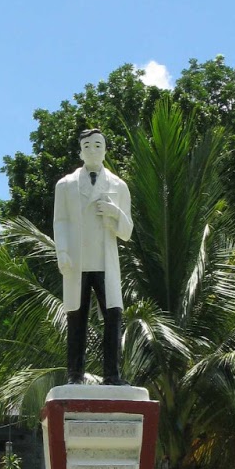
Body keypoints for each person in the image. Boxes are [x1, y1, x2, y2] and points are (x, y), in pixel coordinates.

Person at [52, 127, 133, 383]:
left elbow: (127, 231)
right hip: (77, 262)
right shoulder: (65, 185)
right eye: (87, 146)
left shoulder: (119, 186)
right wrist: (62, 251)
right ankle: (74, 375)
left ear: (106, 149)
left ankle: (113, 375)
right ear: (80, 151)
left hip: (105, 262)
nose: (93, 150)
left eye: (98, 145)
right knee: (77, 318)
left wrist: (114, 213)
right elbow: (61, 221)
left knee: (113, 317)